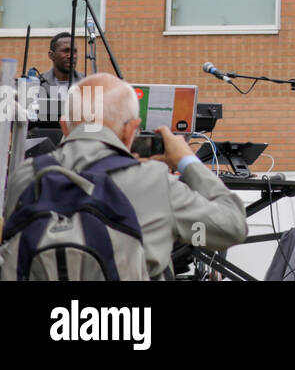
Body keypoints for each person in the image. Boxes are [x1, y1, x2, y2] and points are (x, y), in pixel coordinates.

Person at [2, 74, 247, 279]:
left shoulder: (26, 176)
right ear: (132, 131)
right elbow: (232, 228)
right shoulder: (154, 181)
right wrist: (187, 161)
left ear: (65, 126)